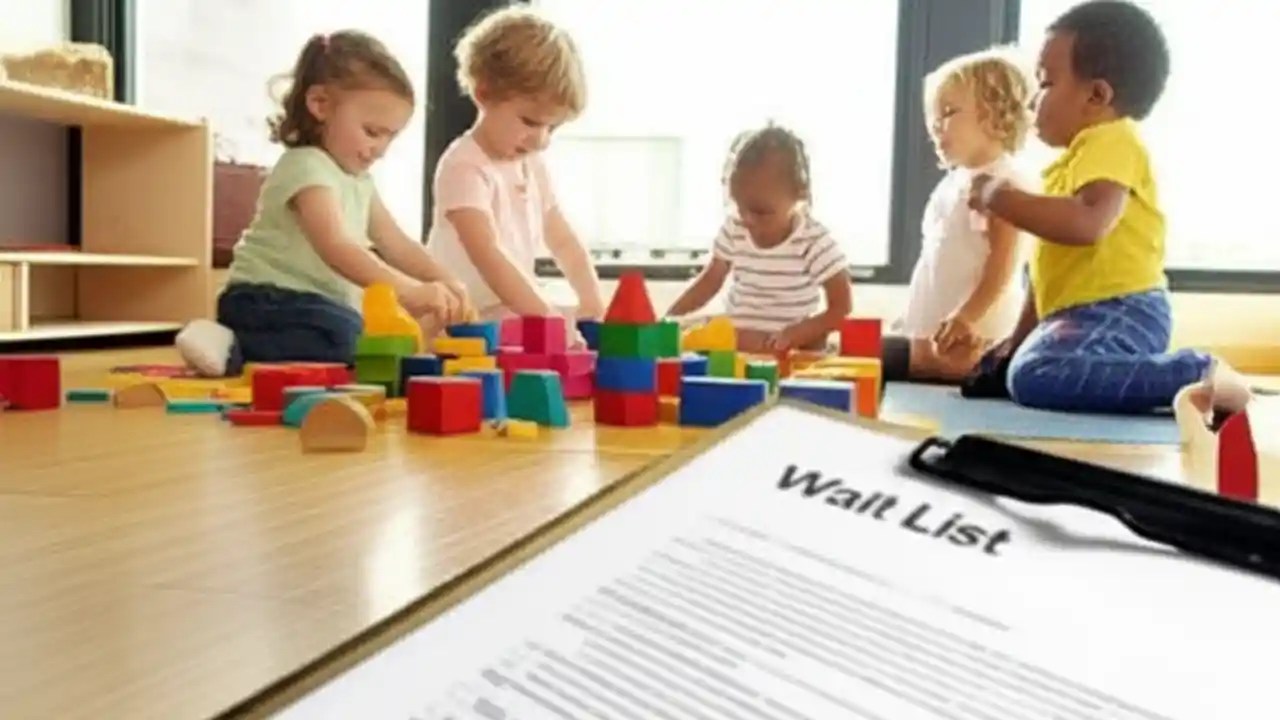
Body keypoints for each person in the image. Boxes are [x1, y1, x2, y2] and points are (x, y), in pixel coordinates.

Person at [966, 0, 1251, 413]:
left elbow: (1088, 224)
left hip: (1123, 309)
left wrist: (1000, 196)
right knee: (1020, 369)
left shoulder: (1113, 140)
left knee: (1036, 375)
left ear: (1097, 95)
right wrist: (1015, 342)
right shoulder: (1068, 168)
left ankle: (1196, 372)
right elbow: (1044, 284)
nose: (1032, 104)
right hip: (1080, 315)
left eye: (1045, 84)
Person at [177, 30, 471, 377]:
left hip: (315, 307)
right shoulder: (305, 166)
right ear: (320, 105)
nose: (381, 149)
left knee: (364, 335)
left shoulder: (360, 181)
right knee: (350, 341)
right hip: (265, 300)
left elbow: (396, 243)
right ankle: (231, 344)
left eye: (391, 138)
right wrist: (410, 290)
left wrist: (450, 281)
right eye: (373, 132)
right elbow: (336, 246)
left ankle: (248, 346)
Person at [426, 5, 605, 346]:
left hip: (507, 311)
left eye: (553, 127)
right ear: (484, 94)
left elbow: (564, 240)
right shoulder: (464, 165)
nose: (541, 140)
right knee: (549, 335)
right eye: (530, 122)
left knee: (566, 336)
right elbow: (487, 253)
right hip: (462, 320)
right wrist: (548, 318)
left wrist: (591, 301)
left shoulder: (531, 164)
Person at [889, 47, 1037, 382]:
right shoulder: (955, 182)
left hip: (971, 335)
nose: (936, 126)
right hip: (935, 331)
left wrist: (968, 317)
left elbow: (1002, 265)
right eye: (933, 118)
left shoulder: (1002, 185)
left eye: (949, 112)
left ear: (994, 115)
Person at [664, 123, 852, 353]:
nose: (749, 220)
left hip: (789, 344)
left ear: (798, 195)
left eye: (761, 211)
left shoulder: (812, 241)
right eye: (740, 207)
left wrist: (798, 333)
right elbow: (710, 281)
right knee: (699, 333)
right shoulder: (735, 229)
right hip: (740, 338)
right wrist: (668, 319)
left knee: (813, 343)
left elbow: (842, 306)